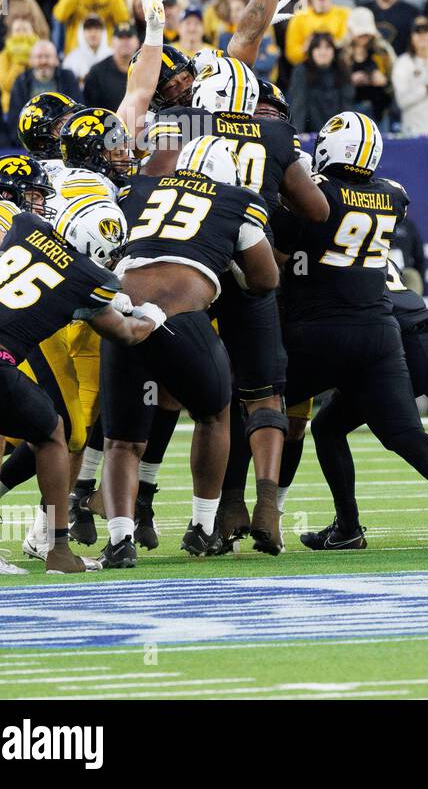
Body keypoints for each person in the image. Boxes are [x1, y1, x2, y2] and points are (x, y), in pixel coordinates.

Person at [273, 111, 428, 552]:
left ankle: (231, 513)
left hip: (319, 332)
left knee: (257, 402)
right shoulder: (392, 195)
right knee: (398, 433)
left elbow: (274, 266)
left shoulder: (314, 194)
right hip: (379, 332)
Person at [0, 193, 161, 576]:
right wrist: (152, 315)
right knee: (53, 434)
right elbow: (127, 334)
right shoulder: (91, 278)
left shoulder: (26, 227)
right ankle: (57, 549)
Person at [101, 137, 279, 566]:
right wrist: (230, 269)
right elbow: (266, 279)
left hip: (122, 316)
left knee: (121, 441)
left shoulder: (138, 189)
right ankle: (201, 526)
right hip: (182, 319)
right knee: (214, 415)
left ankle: (119, 539)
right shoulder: (239, 201)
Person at [289, 32, 355, 132]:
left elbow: (347, 104)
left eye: (328, 47)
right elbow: (298, 105)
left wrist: (346, 133)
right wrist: (298, 136)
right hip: (309, 133)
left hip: (337, 131)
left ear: (334, 51)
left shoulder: (342, 69)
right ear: (311, 51)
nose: (323, 52)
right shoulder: (301, 70)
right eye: (318, 48)